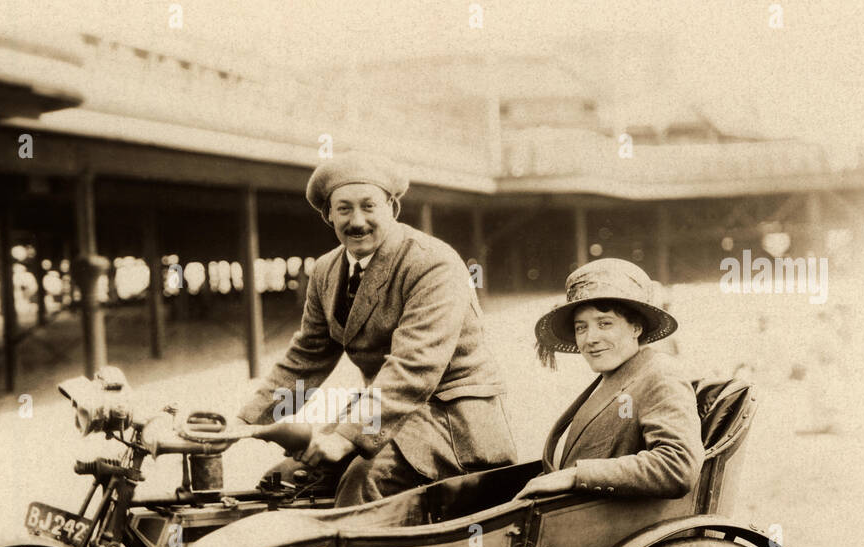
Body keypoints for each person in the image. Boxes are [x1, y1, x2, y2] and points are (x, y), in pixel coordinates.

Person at [236, 151, 516, 505]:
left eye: (369, 206)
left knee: (363, 484)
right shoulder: (325, 271)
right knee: (282, 482)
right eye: (344, 209)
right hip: (385, 415)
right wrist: (244, 422)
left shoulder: (432, 262)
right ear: (329, 216)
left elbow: (415, 366)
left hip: (452, 419)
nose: (357, 221)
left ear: (392, 209)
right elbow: (305, 358)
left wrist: (345, 437)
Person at [518, 258, 704, 500]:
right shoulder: (614, 376)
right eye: (581, 328)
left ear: (636, 328)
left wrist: (576, 476)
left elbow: (677, 465)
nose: (590, 338)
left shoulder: (660, 374)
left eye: (605, 324)